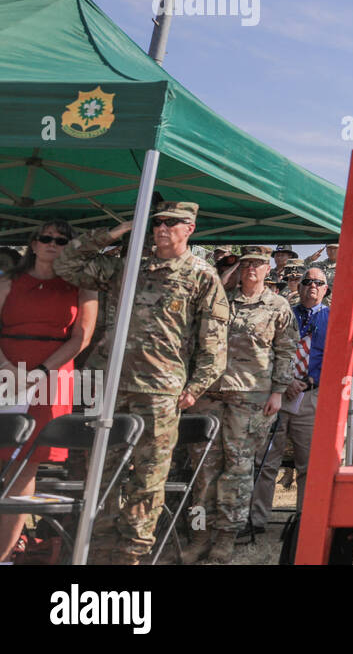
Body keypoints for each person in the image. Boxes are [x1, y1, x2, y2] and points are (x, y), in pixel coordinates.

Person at [53, 201, 229, 564]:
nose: (161, 228)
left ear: (189, 228)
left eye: (170, 223)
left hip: (160, 389)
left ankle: (133, 556)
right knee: (100, 472)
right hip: (111, 384)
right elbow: (65, 264)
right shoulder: (129, 267)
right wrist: (114, 232)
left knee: (148, 479)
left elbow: (214, 340)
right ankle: (99, 553)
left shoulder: (201, 275)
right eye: (156, 222)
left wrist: (195, 387)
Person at [182, 246, 297, 564]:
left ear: (267, 269)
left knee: (237, 471)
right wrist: (226, 276)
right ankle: (199, 536)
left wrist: (278, 391)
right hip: (210, 396)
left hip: (250, 399)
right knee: (202, 471)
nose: (251, 269)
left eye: (258, 264)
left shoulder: (277, 306)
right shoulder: (220, 300)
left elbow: (287, 351)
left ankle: (225, 539)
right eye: (246, 264)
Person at [0, 221, 98, 561]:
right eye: (46, 238)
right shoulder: (9, 282)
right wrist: (5, 367)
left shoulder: (82, 285)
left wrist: (41, 372)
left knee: (25, 462)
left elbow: (81, 337)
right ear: (33, 243)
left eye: (61, 240)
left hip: (53, 374)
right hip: (5, 370)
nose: (52, 244)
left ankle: (4, 553)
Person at [248, 266, 329, 532]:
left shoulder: (333, 318)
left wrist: (309, 381)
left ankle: (305, 521)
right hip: (279, 395)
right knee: (266, 460)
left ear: (326, 289)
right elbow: (269, 349)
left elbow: (337, 357)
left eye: (319, 282)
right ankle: (257, 520)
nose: (312, 286)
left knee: (309, 465)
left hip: (311, 398)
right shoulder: (285, 313)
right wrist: (285, 381)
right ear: (300, 286)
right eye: (307, 281)